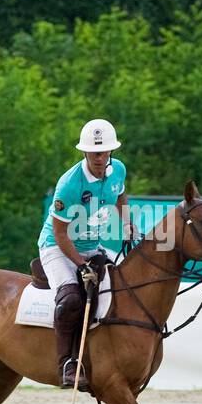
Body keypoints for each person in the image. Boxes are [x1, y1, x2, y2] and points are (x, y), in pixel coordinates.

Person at [36, 119, 134, 389]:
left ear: (111, 151)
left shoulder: (118, 170)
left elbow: (121, 197)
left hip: (93, 245)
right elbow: (60, 234)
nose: (100, 158)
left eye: (104, 152)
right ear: (84, 152)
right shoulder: (69, 185)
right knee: (71, 299)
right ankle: (67, 364)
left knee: (126, 286)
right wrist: (81, 266)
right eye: (94, 153)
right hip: (58, 247)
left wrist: (126, 224)